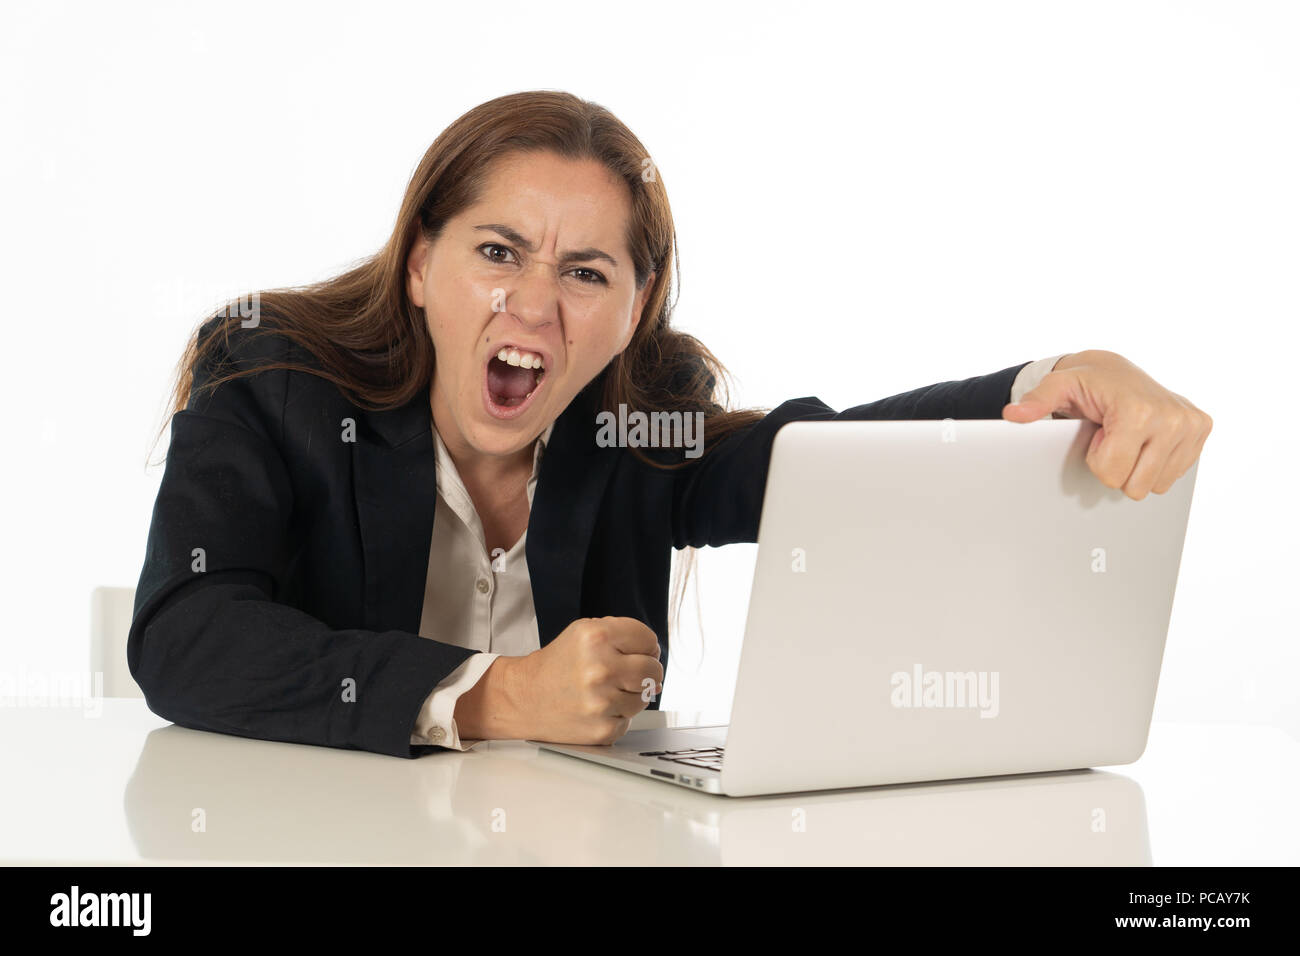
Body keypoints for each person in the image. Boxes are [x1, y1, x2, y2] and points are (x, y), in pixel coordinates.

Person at [130, 90, 1213, 759]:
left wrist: (1057, 376)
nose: (536, 306)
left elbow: (812, 457)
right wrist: (496, 695)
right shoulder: (273, 377)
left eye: (587, 273)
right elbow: (184, 637)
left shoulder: (634, 425)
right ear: (421, 265)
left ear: (631, 311)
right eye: (497, 252)